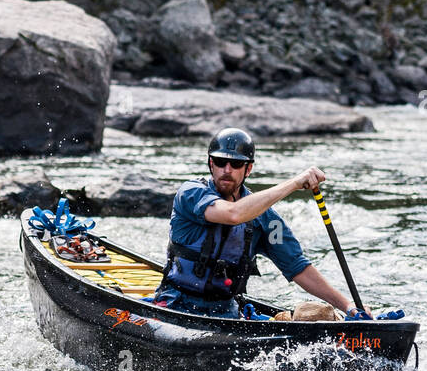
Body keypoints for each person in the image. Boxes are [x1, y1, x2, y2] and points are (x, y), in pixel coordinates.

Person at [153, 127, 372, 320]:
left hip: (224, 311)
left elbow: (297, 266)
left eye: (236, 164)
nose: (227, 170)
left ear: (248, 169)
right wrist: (295, 183)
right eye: (220, 162)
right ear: (211, 164)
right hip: (177, 304)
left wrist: (347, 305)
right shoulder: (191, 193)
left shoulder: (264, 219)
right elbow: (233, 214)